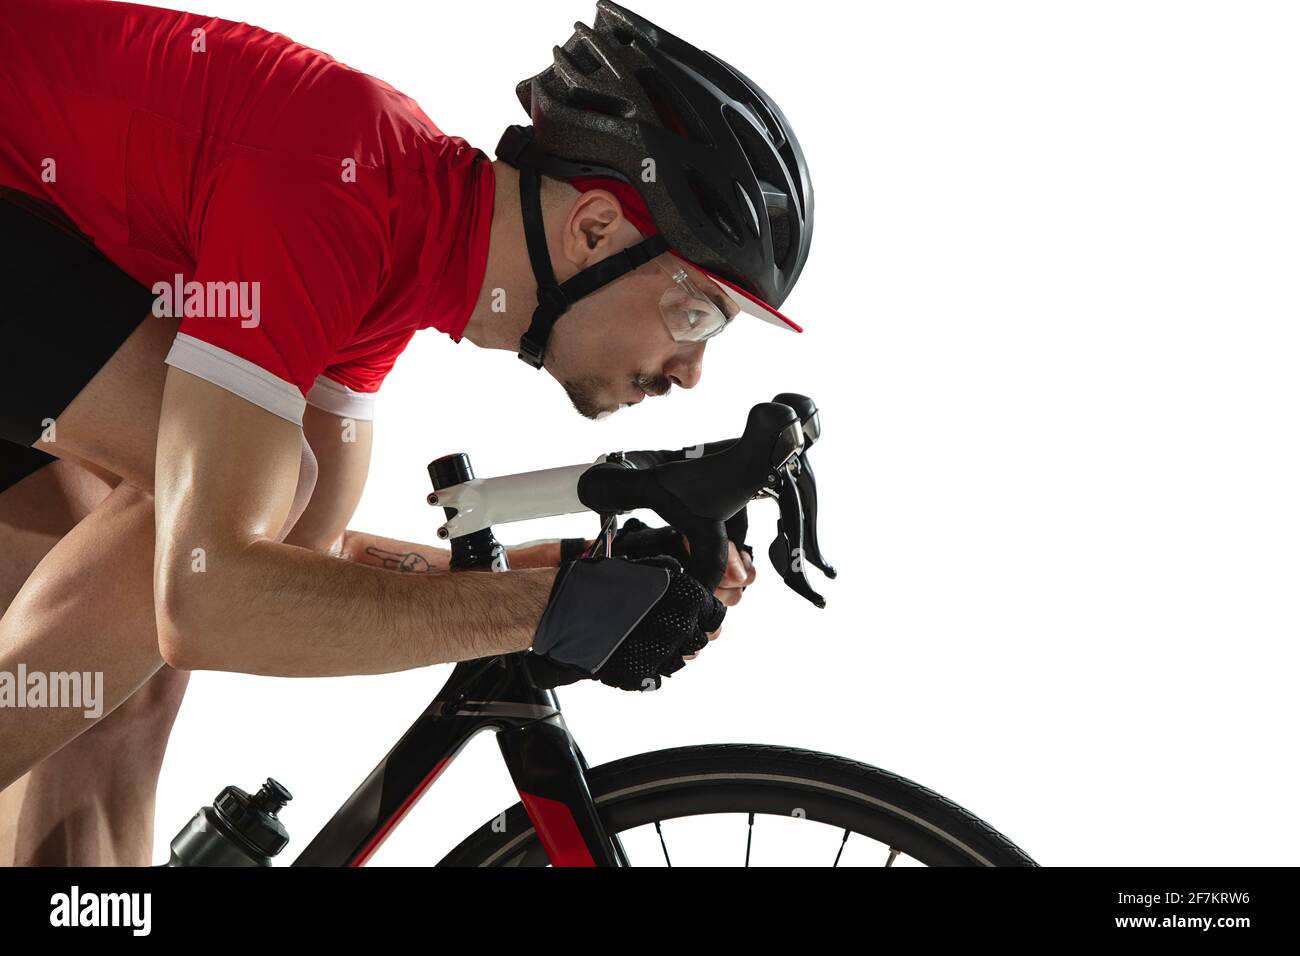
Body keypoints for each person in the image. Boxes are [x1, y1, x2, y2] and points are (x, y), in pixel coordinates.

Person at [0, 0, 813, 864]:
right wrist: (546, 612)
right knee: (176, 576)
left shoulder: (405, 239)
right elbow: (208, 603)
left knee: (119, 687)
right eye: (696, 314)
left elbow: (281, 561)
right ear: (595, 229)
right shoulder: (334, 187)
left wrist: (564, 574)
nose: (691, 370)